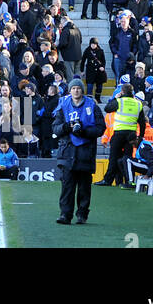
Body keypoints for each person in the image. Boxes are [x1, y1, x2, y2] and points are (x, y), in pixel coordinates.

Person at [52, 77, 104, 225]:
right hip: (67, 151)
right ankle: (65, 215)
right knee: (67, 187)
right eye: (73, 88)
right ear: (70, 90)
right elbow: (55, 128)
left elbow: (101, 128)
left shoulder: (92, 105)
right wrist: (66, 127)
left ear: (82, 90)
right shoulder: (63, 105)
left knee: (84, 188)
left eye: (78, 88)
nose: (76, 91)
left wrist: (84, 132)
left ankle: (82, 214)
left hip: (85, 152)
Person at [98, 82, 146, 187]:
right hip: (131, 135)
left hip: (119, 133)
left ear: (122, 92)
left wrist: (115, 98)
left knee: (114, 157)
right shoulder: (138, 104)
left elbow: (107, 108)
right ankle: (129, 181)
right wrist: (140, 136)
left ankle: (108, 180)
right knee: (128, 159)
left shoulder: (119, 101)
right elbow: (142, 122)